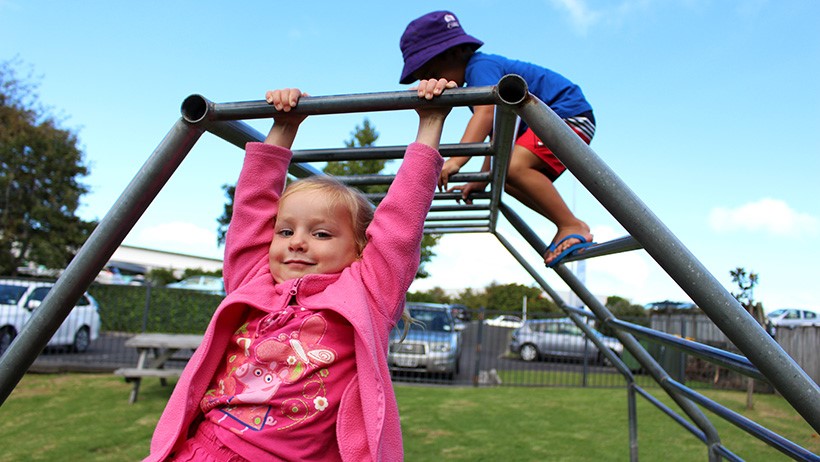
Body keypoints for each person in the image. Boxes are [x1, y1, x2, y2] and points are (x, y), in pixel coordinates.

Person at [145, 79, 456, 462]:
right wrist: (283, 129)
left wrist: (430, 124)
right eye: (286, 231)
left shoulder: (366, 294)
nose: (296, 242)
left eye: (321, 233)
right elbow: (252, 209)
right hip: (209, 449)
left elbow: (399, 227)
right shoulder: (253, 283)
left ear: (360, 250)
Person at [399, 10, 597, 267]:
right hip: (542, 125)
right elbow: (499, 138)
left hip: (566, 116)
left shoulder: (481, 67)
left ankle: (571, 224)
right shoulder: (476, 79)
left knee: (514, 169)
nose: (429, 81)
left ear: (453, 52)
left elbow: (486, 114)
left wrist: (455, 161)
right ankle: (566, 223)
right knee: (506, 177)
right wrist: (483, 180)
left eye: (429, 71)